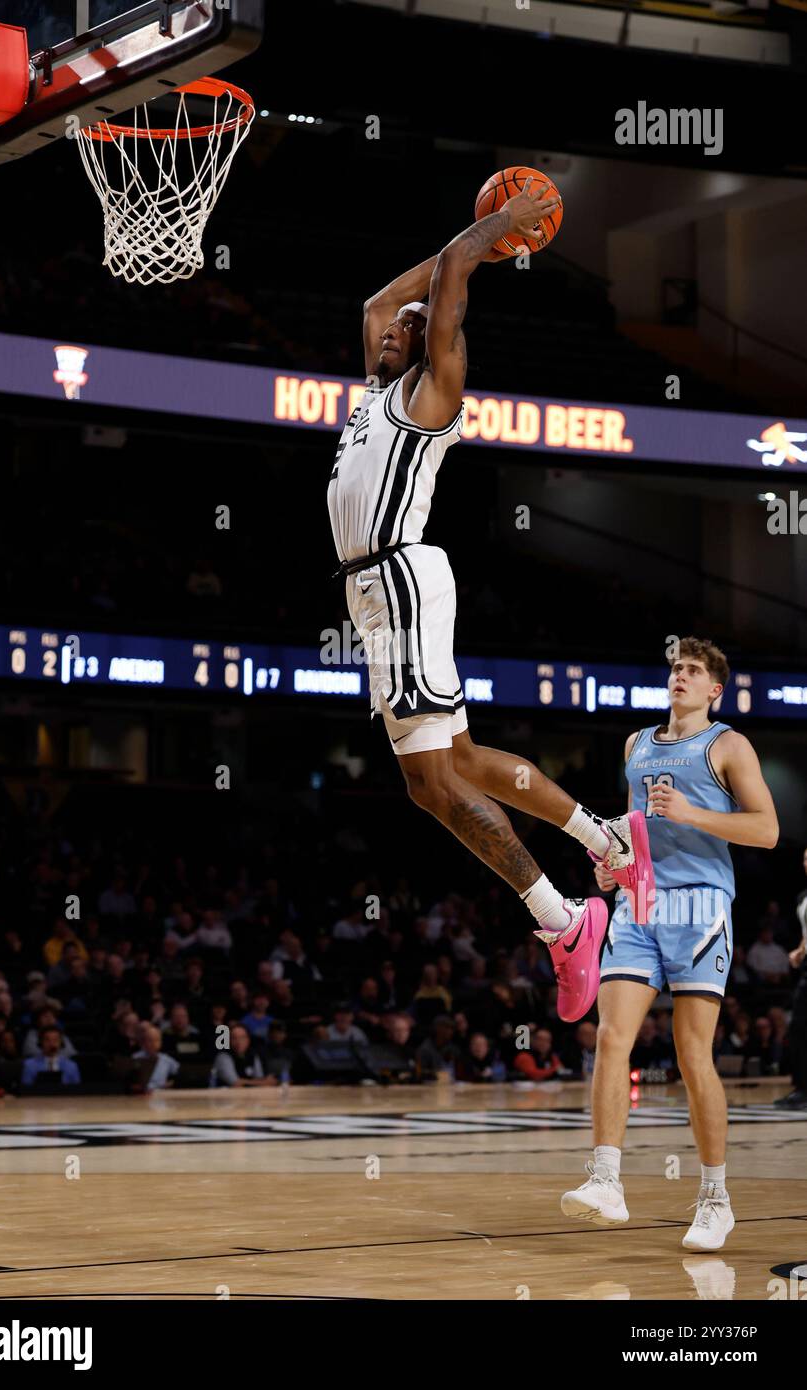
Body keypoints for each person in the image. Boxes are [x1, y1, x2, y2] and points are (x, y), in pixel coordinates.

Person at [326, 181, 655, 1024]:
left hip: (399, 577)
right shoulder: (372, 395)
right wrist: (458, 248)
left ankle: (564, 921)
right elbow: (374, 301)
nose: (396, 325)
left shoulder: (431, 394)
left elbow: (442, 296)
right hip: (376, 591)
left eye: (413, 323)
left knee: (430, 784)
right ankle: (606, 840)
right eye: (398, 327)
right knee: (461, 767)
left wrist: (491, 234)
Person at [561, 637, 778, 1252]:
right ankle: (606, 1180)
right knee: (610, 1036)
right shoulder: (635, 744)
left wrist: (690, 813)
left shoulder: (728, 745)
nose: (679, 676)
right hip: (641, 907)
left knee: (690, 1056)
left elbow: (766, 829)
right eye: (674, 668)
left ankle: (715, 1198)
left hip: (702, 908)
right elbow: (634, 831)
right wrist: (612, 863)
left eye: (692, 671)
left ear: (715, 689)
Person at [775, 845, 807, 1109]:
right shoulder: (802, 897)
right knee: (798, 1029)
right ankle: (802, 1089)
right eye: (805, 859)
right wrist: (800, 950)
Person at [210, 1024, 276, 1088]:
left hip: (249, 1096)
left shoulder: (252, 1055)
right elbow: (236, 1083)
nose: (238, 1042)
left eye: (242, 1037)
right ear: (229, 1040)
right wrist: (264, 1082)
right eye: (234, 1038)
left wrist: (263, 1081)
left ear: (248, 1040)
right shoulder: (223, 1057)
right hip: (224, 1097)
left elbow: (259, 1078)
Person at [131, 1023, 180, 1092]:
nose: (153, 1043)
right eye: (150, 1040)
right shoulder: (135, 1058)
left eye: (156, 1040)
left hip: (161, 1094)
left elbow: (179, 1074)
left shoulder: (167, 1060)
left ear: (160, 1043)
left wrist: (171, 1083)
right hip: (141, 1095)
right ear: (144, 1042)